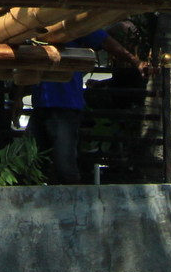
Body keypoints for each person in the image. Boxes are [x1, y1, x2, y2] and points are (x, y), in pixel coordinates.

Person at [30, 26, 146, 184]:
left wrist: (135, 61)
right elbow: (28, 66)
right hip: (40, 103)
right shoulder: (35, 26)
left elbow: (105, 41)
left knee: (64, 166)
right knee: (31, 162)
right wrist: (18, 98)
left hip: (65, 104)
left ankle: (73, 202)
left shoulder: (70, 22)